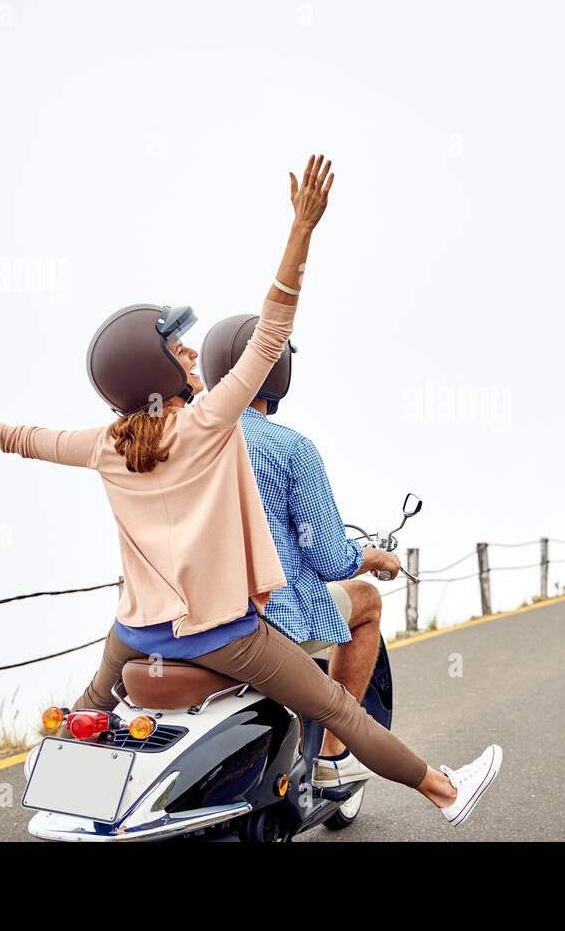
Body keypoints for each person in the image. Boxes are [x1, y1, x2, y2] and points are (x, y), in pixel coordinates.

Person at [0, 155, 501, 827]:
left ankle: (71, 810)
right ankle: (446, 791)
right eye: (178, 350)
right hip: (220, 637)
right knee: (336, 709)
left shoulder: (104, 444)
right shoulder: (209, 425)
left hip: (131, 635)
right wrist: (302, 230)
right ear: (157, 369)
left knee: (82, 718)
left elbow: (4, 434)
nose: (190, 355)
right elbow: (274, 323)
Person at [199, 311, 395, 790]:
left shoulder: (182, 436)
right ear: (278, 372)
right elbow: (329, 559)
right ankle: (331, 751)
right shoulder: (288, 447)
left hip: (181, 620)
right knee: (366, 600)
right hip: (264, 621)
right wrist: (371, 557)